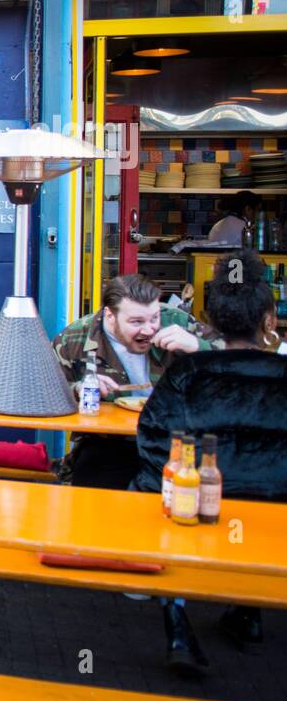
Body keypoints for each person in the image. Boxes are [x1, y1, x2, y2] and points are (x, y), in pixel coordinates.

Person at [133, 249, 287, 673]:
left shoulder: (187, 374)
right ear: (269, 320)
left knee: (164, 499)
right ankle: (250, 613)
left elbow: (151, 440)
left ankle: (177, 620)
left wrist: (161, 485)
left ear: (209, 320)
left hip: (201, 499)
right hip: (277, 503)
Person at [51, 273, 220, 488]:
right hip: (108, 446)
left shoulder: (177, 321)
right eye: (136, 322)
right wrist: (78, 389)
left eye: (154, 318)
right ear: (110, 316)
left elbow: (239, 358)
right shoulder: (73, 340)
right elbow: (42, 394)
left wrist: (198, 346)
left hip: (176, 439)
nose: (149, 329)